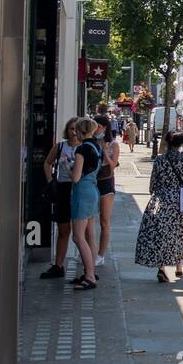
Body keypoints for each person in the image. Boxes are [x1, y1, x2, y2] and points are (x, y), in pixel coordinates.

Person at [136, 130, 183, 282]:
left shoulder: (160, 160)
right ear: (182, 143)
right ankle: (178, 267)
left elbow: (153, 182)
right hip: (181, 201)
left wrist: (155, 193)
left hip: (162, 199)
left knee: (161, 234)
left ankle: (161, 267)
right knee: (179, 233)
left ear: (168, 142)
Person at [40, 119, 80, 279]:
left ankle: (88, 270)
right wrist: (51, 182)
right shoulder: (60, 146)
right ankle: (58, 265)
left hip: (78, 189)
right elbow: (47, 163)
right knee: (63, 229)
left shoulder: (84, 148)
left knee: (81, 232)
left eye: (76, 129)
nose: (74, 132)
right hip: (63, 188)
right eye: (71, 129)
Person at [68, 117, 102, 291]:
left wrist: (66, 166)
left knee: (78, 236)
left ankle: (89, 276)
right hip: (93, 190)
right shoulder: (96, 146)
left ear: (80, 131)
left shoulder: (81, 149)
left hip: (82, 192)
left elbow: (75, 177)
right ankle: (91, 271)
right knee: (90, 234)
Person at [93, 114, 120, 270]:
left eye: (98, 126)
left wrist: (104, 151)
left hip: (105, 182)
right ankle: (91, 251)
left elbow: (112, 165)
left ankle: (100, 255)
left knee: (104, 220)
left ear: (104, 127)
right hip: (90, 181)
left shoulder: (113, 144)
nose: (96, 129)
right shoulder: (90, 142)